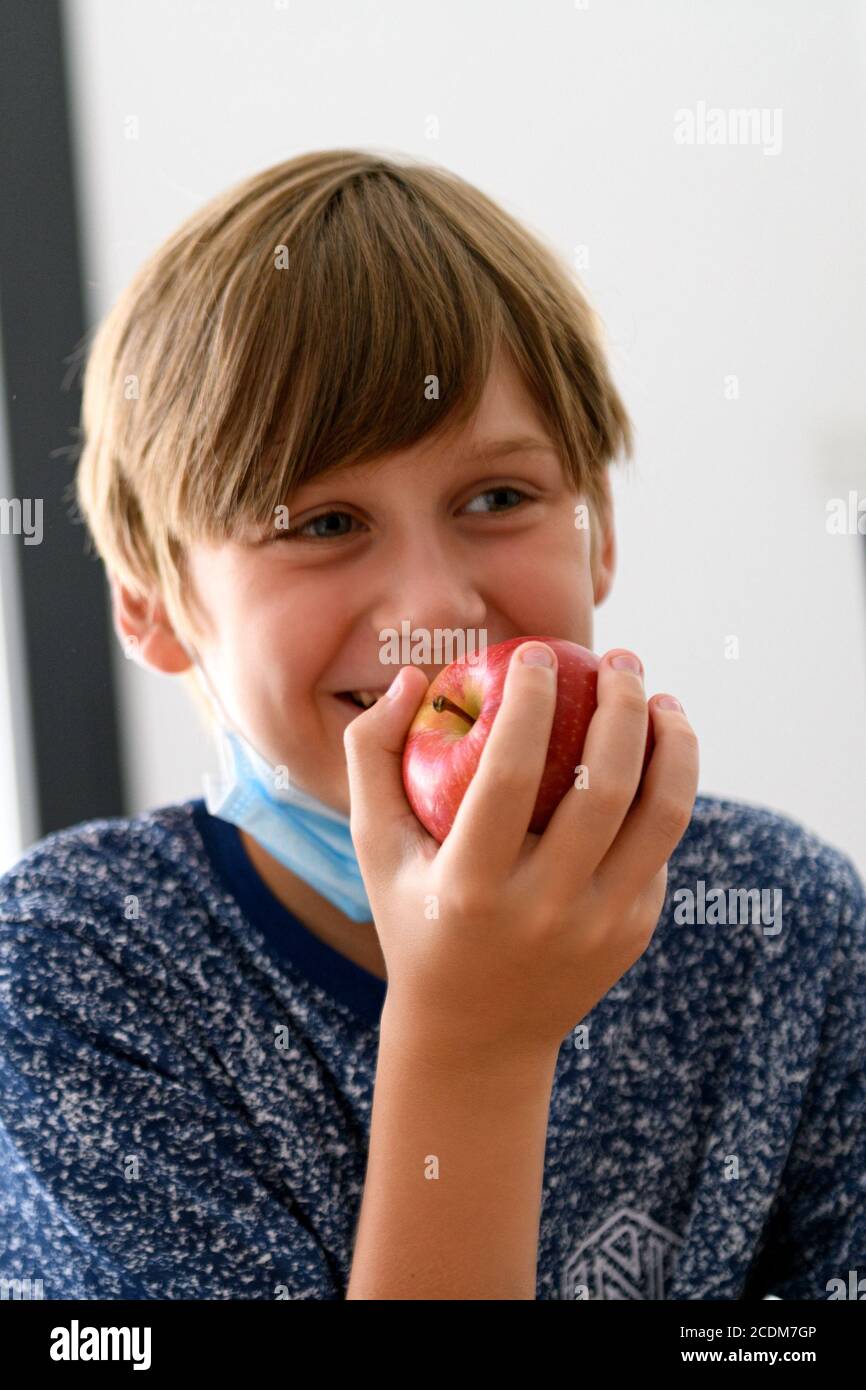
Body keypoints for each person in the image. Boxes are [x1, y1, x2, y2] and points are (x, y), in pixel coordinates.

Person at [0, 150, 863, 1300]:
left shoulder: (781, 921)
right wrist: (474, 1047)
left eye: (497, 500)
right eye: (321, 522)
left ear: (597, 531)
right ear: (155, 604)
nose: (432, 612)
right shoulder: (72, 973)